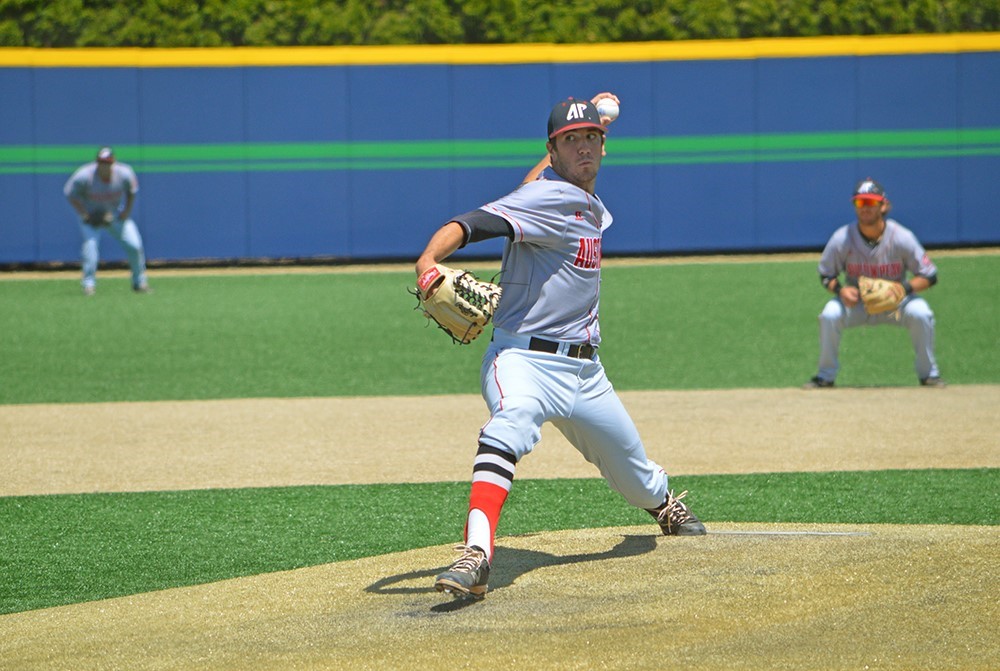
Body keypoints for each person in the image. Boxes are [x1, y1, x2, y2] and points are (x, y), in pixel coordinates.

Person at [414, 94, 706, 602]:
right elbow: (474, 222)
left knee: (636, 476)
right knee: (509, 424)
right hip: (523, 361)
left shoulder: (574, 197)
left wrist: (591, 121)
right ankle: (475, 554)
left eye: (591, 138)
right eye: (571, 141)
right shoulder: (547, 199)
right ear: (554, 150)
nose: (584, 148)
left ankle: (662, 503)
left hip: (586, 374)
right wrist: (428, 261)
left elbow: (536, 182)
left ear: (604, 146)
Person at [804, 178, 943, 389]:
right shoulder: (842, 238)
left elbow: (930, 275)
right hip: (858, 304)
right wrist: (840, 290)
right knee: (829, 315)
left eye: (870, 202)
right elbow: (825, 274)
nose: (865, 208)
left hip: (895, 304)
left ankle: (929, 375)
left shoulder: (902, 237)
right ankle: (825, 376)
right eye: (860, 202)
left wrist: (903, 288)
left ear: (883, 205)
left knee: (921, 313)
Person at [64, 147, 150, 295]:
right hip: (91, 215)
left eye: (108, 163)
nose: (105, 166)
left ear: (113, 163)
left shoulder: (124, 173)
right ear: (97, 163)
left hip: (114, 214)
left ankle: (139, 283)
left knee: (135, 245)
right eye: (102, 162)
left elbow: (132, 192)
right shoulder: (84, 175)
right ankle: (89, 285)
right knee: (90, 247)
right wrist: (84, 214)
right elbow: (69, 194)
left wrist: (126, 212)